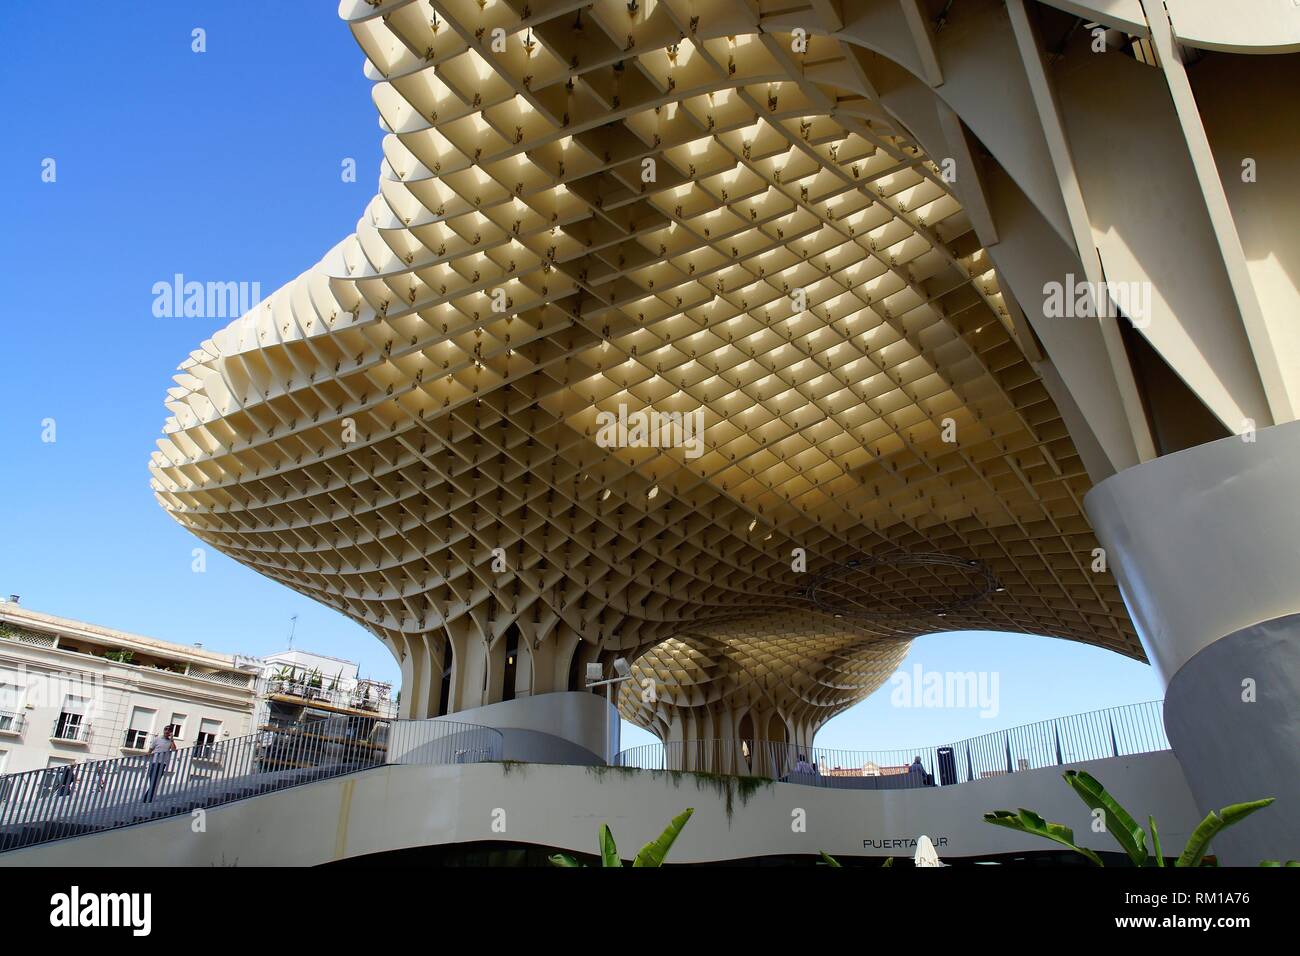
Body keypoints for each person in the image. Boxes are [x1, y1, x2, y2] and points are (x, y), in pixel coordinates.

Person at [142, 726, 176, 804]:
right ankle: (147, 799)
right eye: (166, 729)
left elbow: (174, 749)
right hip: (154, 763)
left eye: (169, 730)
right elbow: (150, 750)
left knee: (156, 782)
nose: (167, 731)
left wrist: (172, 739)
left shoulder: (170, 741)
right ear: (163, 730)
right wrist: (146, 761)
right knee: (153, 781)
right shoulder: (157, 739)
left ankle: (147, 799)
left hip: (162, 764)